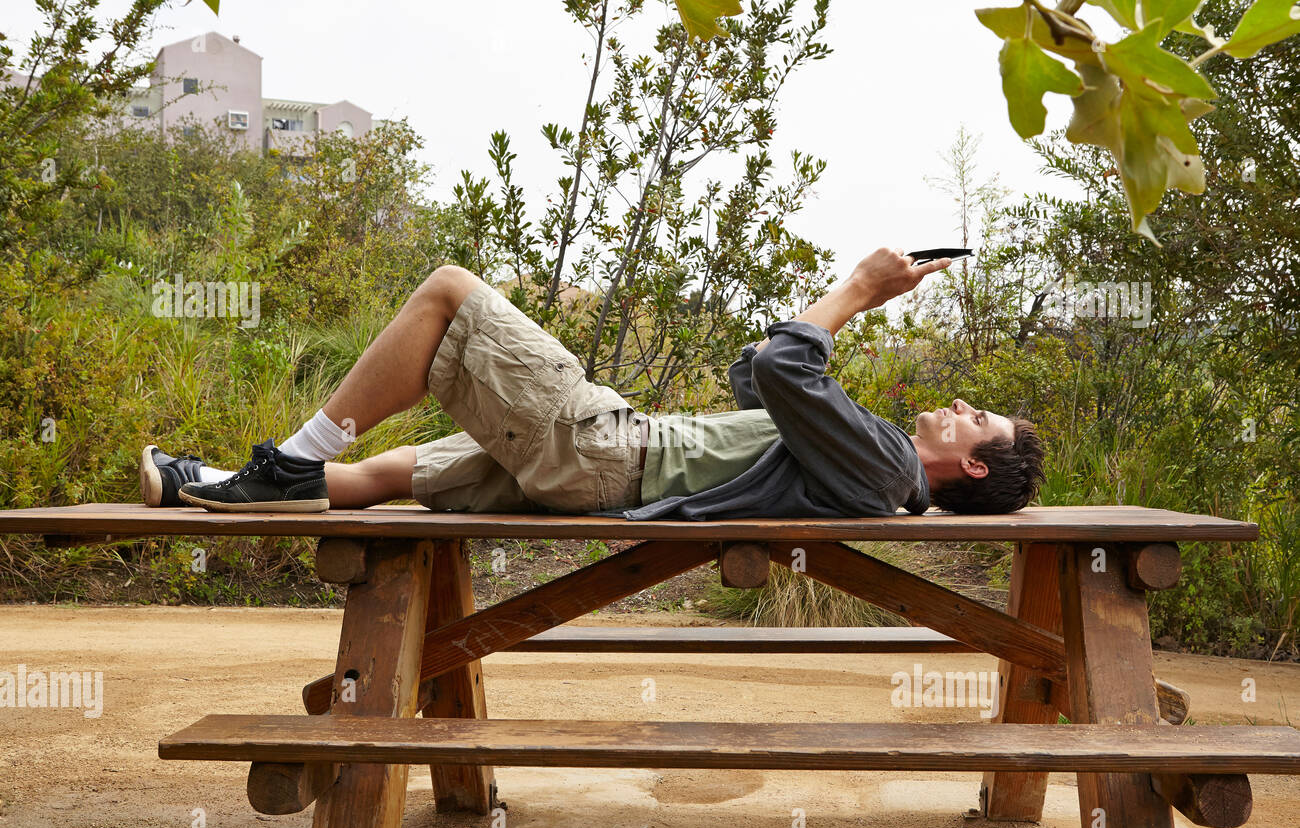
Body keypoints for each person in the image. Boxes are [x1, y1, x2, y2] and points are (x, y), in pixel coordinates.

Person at [139, 248, 1045, 519]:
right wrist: (805, 361)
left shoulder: (889, 465)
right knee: (388, 478)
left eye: (979, 422)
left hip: (611, 451)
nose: (962, 407)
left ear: (968, 467)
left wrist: (859, 292)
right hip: (605, 476)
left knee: (450, 293)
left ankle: (293, 465)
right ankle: (206, 487)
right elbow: (758, 378)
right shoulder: (873, 474)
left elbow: (778, 364)